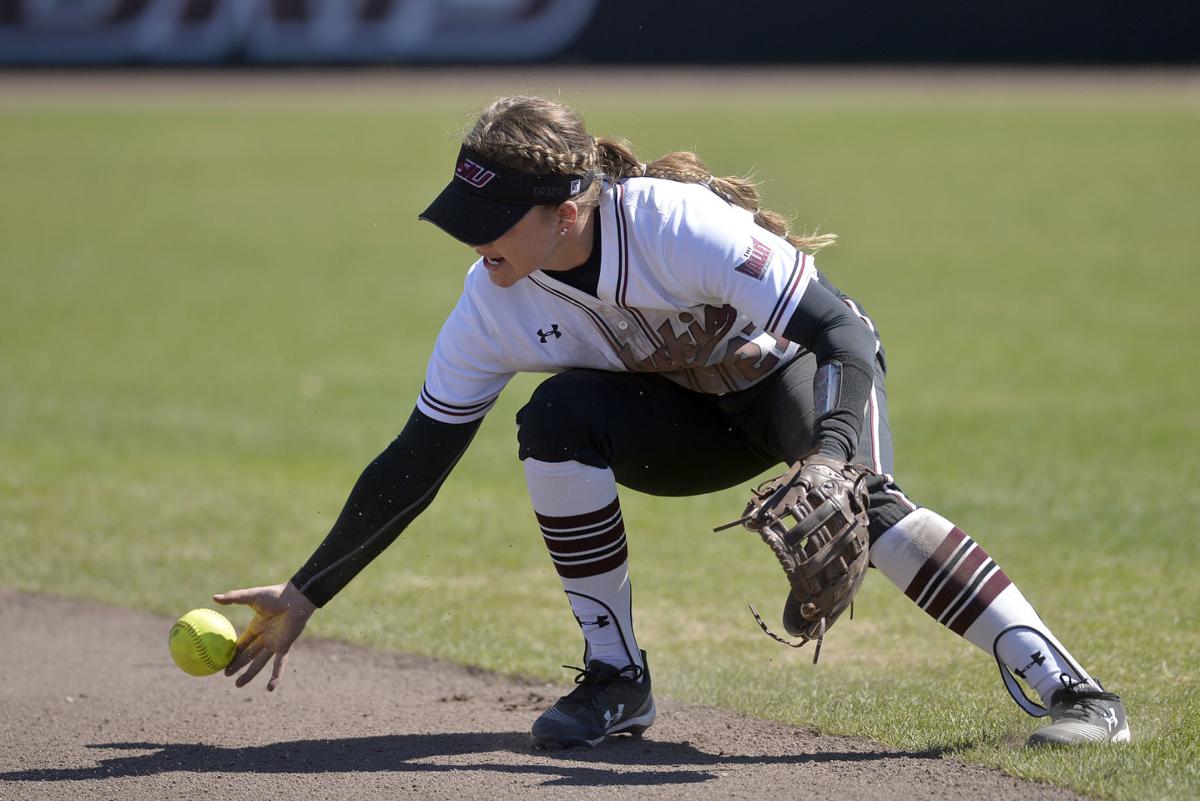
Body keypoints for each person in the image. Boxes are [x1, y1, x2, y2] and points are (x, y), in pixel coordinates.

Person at [215, 95, 1128, 749]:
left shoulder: (672, 225)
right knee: (555, 418)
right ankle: (617, 678)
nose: (472, 237)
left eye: (491, 218)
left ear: (565, 212)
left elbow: (844, 334)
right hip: (683, 428)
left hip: (786, 375)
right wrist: (305, 592)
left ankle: (1073, 690)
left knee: (866, 505)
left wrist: (835, 455)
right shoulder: (492, 300)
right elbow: (417, 458)